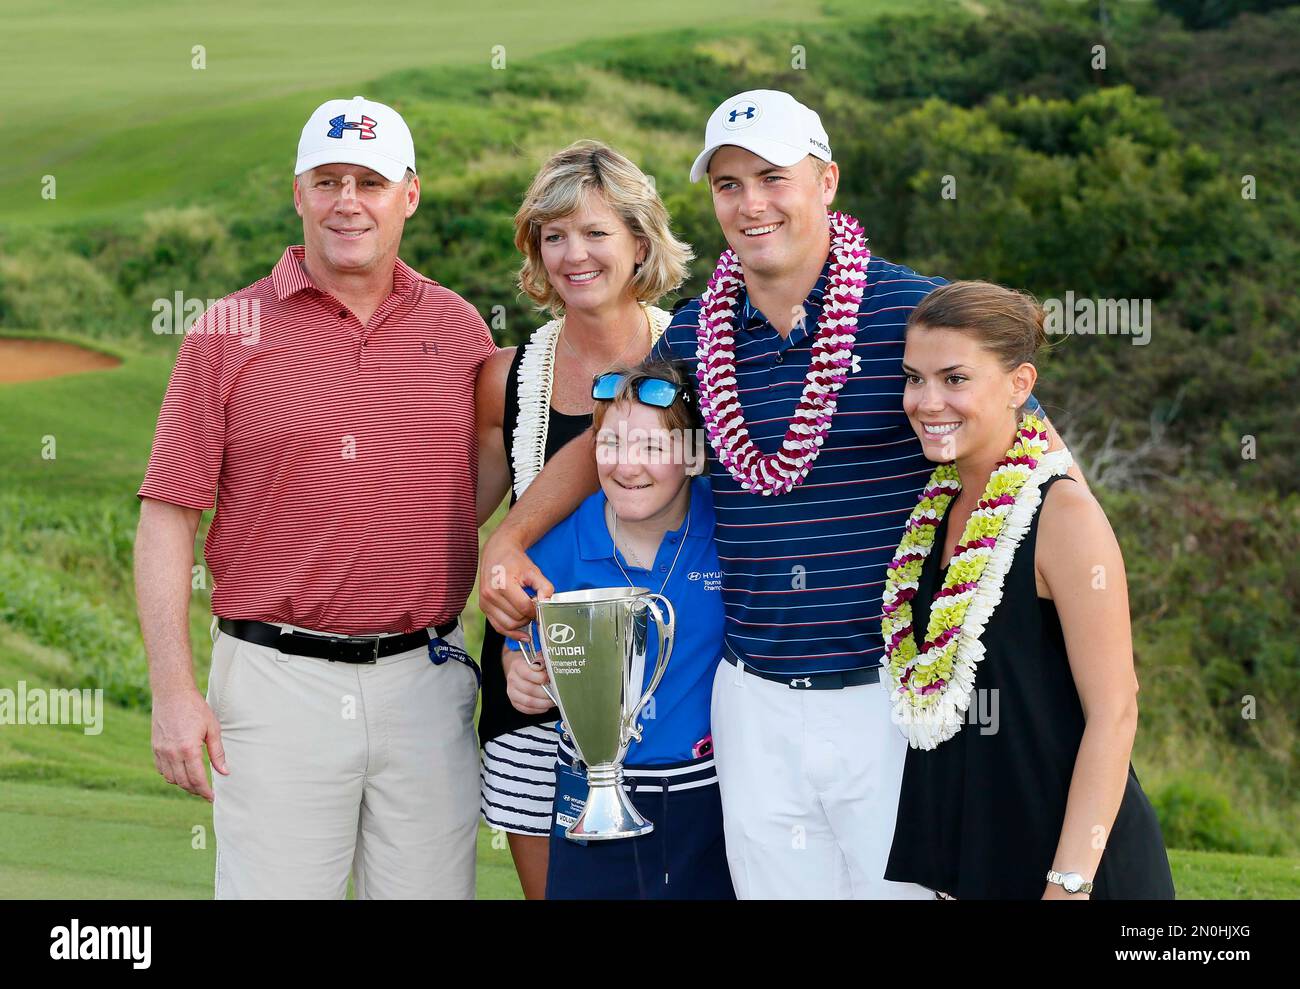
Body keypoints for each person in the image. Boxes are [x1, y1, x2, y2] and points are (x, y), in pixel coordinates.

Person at [480, 89, 1083, 899]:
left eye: (772, 177)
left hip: (887, 694)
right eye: (729, 184)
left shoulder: (914, 313)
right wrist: (510, 539)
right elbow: (606, 442)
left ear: (826, 182)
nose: (751, 203)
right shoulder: (697, 332)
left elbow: (1038, 464)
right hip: (752, 699)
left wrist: (1072, 633)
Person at [135, 96, 495, 899]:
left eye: (370, 181)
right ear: (298, 192)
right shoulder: (225, 332)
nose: (348, 201)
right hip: (275, 681)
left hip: (426, 679)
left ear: (409, 195)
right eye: (327, 179)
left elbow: (478, 474)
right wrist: (172, 690)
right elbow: (167, 517)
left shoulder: (459, 328)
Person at [881, 281, 1175, 899]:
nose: (927, 401)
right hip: (979, 859)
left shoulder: (1063, 514)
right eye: (914, 378)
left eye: (955, 378)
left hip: (1074, 866)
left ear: (1020, 384)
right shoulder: (934, 513)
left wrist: (1066, 886)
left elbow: (1115, 712)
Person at [475, 141, 691, 898]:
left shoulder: (697, 357)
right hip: (530, 686)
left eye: (596, 232)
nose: (575, 254)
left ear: (640, 240)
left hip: (679, 690)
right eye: (554, 234)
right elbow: (455, 517)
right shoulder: (504, 378)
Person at [504, 358, 733, 899]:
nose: (627, 466)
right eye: (610, 444)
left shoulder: (729, 530)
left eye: (653, 448)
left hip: (709, 797)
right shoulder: (558, 546)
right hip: (590, 792)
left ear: (695, 453)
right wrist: (521, 673)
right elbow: (521, 645)